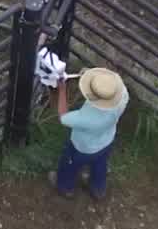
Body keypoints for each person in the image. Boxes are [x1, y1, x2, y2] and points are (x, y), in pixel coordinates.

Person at [54, 66, 127, 199]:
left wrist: (62, 89)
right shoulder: (122, 93)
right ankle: (98, 189)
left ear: (94, 97)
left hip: (82, 148)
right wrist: (92, 77)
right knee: (100, 165)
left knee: (69, 166)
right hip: (106, 141)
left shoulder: (87, 118)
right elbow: (109, 82)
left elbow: (63, 117)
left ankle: (66, 187)